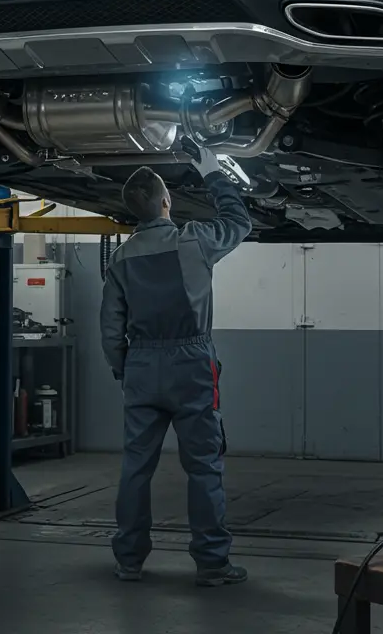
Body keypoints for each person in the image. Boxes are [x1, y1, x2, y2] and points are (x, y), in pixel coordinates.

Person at [100, 148, 253, 587]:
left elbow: (110, 327)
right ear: (166, 202)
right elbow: (240, 221)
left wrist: (123, 371)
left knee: (136, 467)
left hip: (142, 366)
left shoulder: (121, 258)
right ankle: (212, 563)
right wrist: (210, 170)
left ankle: (129, 561)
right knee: (204, 466)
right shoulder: (195, 239)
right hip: (192, 365)